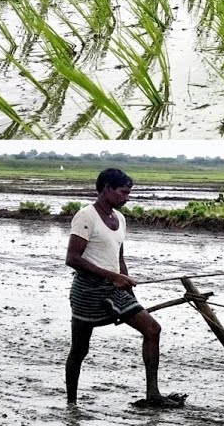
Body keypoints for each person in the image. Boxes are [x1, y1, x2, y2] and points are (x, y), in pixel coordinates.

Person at [65, 168, 184, 408]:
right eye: (123, 192)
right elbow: (72, 258)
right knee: (79, 350)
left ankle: (153, 394)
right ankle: (72, 403)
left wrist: (128, 289)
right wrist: (112, 276)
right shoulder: (86, 216)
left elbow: (119, 257)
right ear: (107, 188)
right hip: (88, 291)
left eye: (129, 193)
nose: (126, 198)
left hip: (115, 289)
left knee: (152, 329)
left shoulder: (120, 219)